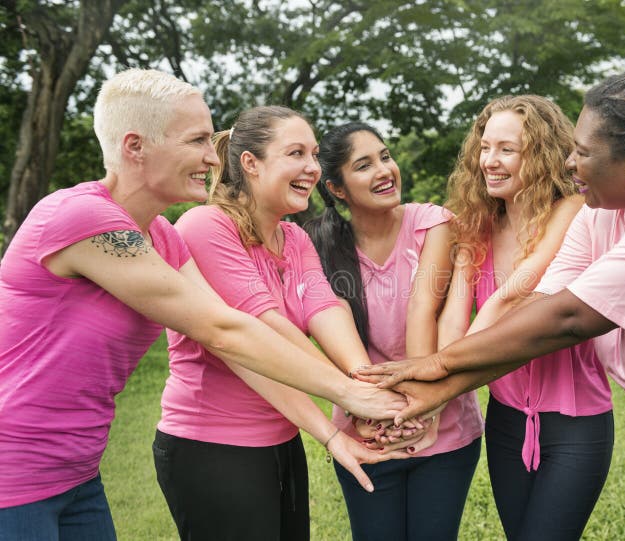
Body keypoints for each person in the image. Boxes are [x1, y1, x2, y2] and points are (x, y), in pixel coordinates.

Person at [358, 68, 625, 541]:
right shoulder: (601, 217)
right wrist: (434, 393)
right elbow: (537, 313)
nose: (569, 163)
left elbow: (568, 318)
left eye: (583, 152)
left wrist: (438, 365)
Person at [0, 69, 404, 541]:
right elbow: (223, 329)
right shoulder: (82, 216)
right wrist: (350, 395)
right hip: (14, 471)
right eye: (196, 141)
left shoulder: (162, 237)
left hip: (77, 472)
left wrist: (341, 413)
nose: (213, 157)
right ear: (135, 146)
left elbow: (233, 338)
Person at [152, 106, 411, 541]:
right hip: (213, 446)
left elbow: (324, 310)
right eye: (296, 153)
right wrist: (354, 399)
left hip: (281, 438)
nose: (312, 167)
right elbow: (266, 330)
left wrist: (365, 382)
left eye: (313, 154)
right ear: (251, 164)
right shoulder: (205, 225)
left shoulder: (293, 237)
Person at [437, 94, 613, 540]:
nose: (489, 161)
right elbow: (454, 317)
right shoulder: (475, 226)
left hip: (576, 423)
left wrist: (434, 382)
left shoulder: (572, 211)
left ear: (541, 155)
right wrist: (436, 378)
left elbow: (509, 300)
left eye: (507, 149)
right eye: (484, 147)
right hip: (506, 421)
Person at [304, 122, 484, 541]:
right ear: (336, 188)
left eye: (385, 157)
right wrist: (376, 414)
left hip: (445, 428)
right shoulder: (319, 245)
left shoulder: (432, 223)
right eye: (364, 165)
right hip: (367, 431)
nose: (384, 170)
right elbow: (333, 337)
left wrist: (421, 408)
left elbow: (424, 310)